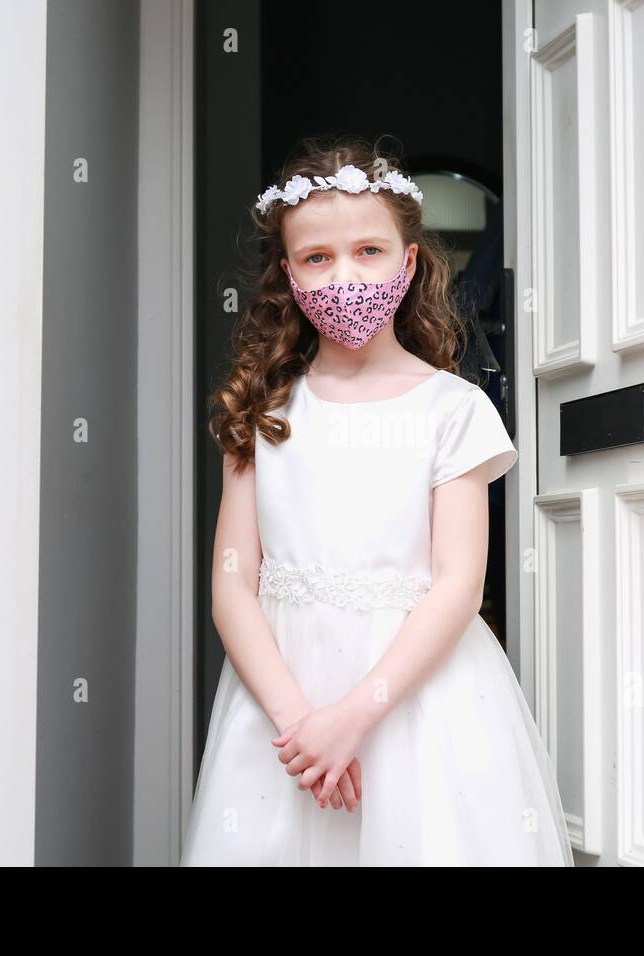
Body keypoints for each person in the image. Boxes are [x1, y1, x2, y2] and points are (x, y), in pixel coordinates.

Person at [180, 136, 574, 866]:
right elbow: (232, 584)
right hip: (281, 708)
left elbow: (458, 584)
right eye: (318, 258)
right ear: (289, 273)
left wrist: (354, 720)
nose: (346, 277)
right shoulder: (262, 408)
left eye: (369, 251)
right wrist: (305, 728)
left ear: (410, 261)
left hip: (417, 703)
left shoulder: (452, 410)